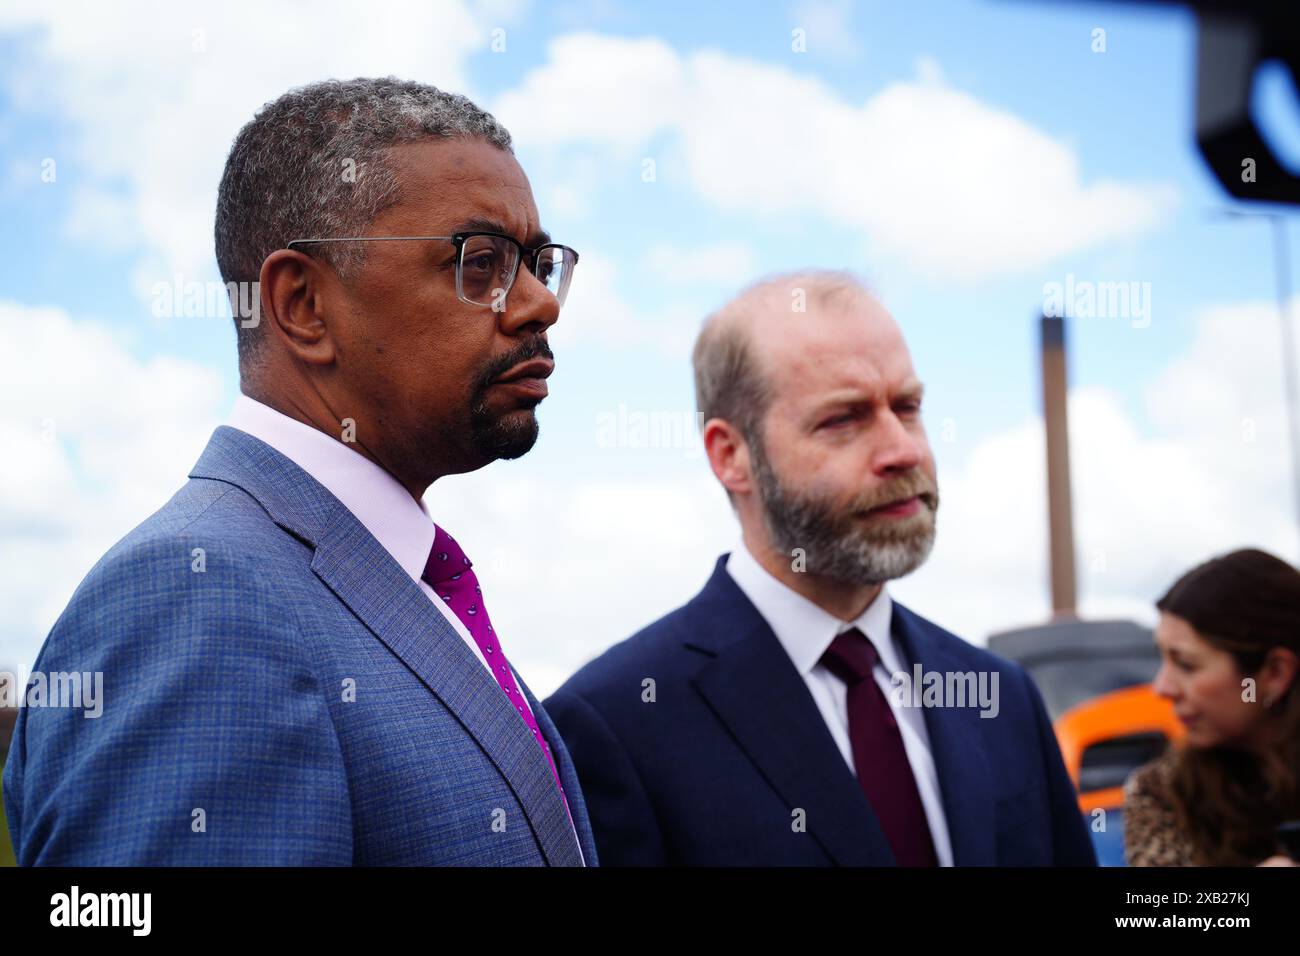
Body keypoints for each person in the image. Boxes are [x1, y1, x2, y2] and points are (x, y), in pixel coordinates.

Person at [2, 77, 595, 866]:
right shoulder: (198, 592)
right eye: (481, 261)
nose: (538, 304)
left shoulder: (398, 581)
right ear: (303, 305)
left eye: (537, 262)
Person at [545, 271, 1096, 866]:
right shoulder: (615, 724)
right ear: (732, 456)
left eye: (907, 408)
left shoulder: (1001, 695)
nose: (903, 451)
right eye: (843, 420)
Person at [1124, 548, 1300, 867]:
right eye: (1162, 659)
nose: (1162, 687)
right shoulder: (1165, 792)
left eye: (1187, 665)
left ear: (1274, 673)